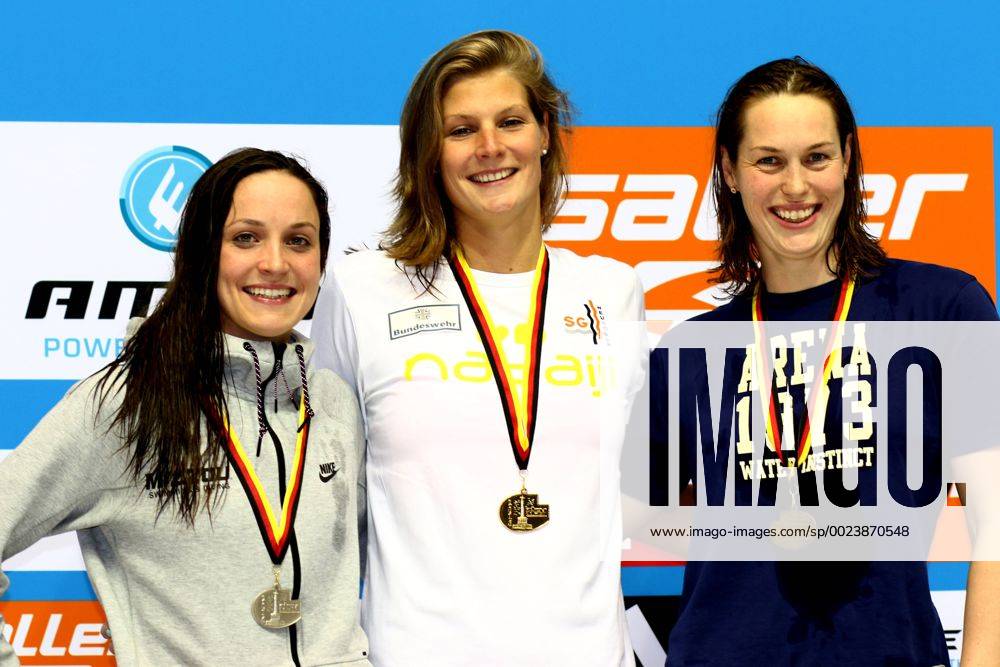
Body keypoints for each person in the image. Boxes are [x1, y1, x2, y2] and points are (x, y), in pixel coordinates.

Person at [312, 30, 644, 666]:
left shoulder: (613, 290)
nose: (490, 148)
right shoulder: (362, 289)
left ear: (545, 132)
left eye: (510, 121)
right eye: (461, 129)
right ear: (429, 152)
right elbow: (326, 496)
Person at [659, 57, 1000, 666]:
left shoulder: (941, 309)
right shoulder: (689, 349)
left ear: (848, 159)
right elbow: (612, 518)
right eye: (769, 161)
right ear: (730, 173)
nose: (795, 186)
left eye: (816, 157)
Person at [0, 148, 370, 666]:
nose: (275, 263)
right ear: (202, 252)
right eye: (246, 237)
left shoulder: (335, 399)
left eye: (298, 241)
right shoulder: (125, 405)